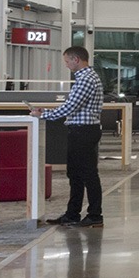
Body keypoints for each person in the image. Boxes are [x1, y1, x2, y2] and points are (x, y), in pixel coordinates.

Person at [34, 46, 105, 228]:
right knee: (75, 174)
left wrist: (43, 115)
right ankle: (72, 214)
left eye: (67, 61)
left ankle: (95, 215)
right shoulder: (85, 78)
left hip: (84, 131)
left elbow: (70, 107)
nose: (66, 65)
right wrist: (47, 112)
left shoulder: (85, 80)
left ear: (76, 59)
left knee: (88, 175)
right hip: (81, 130)